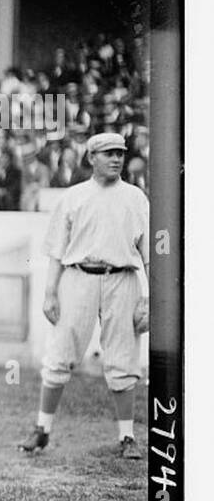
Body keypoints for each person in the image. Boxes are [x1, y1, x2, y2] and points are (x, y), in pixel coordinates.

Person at [18, 132, 149, 461]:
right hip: (77, 277)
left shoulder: (136, 197)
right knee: (60, 352)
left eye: (120, 153)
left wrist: (150, 299)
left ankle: (127, 437)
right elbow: (57, 253)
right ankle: (42, 429)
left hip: (122, 278)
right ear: (91, 158)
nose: (116, 159)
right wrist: (50, 293)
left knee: (122, 357)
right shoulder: (73, 197)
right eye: (108, 153)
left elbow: (148, 255)